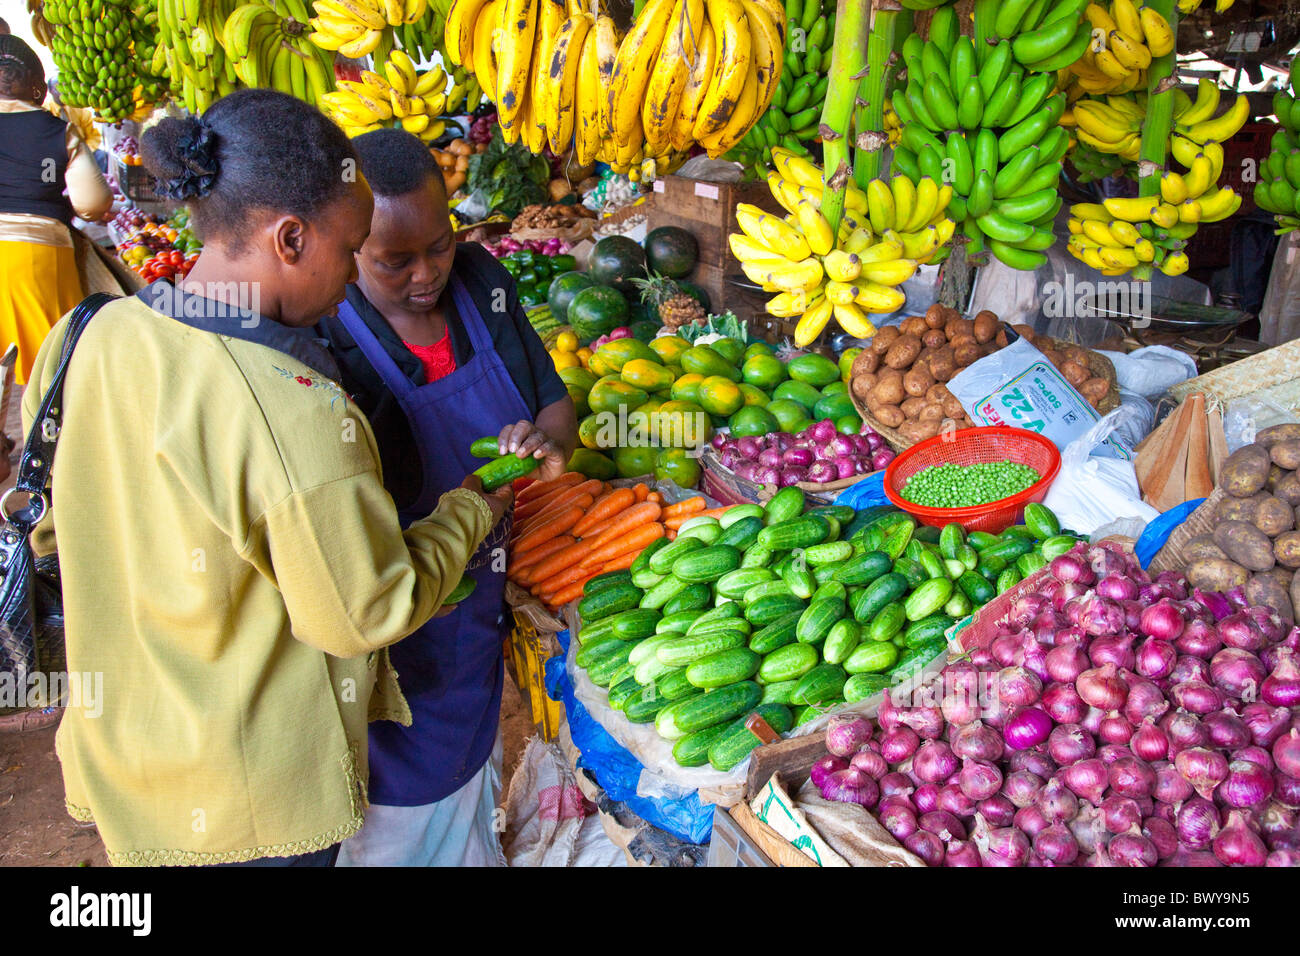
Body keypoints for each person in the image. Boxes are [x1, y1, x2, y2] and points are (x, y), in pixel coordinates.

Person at [22, 89, 511, 867]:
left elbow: (52, 523)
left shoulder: (90, 332)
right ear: (289, 238)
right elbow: (364, 610)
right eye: (350, 248)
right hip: (241, 799)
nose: (353, 276)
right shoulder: (295, 411)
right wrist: (468, 511)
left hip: (119, 752)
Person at [318, 128, 577, 866]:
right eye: (393, 261)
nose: (427, 273)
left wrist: (547, 446)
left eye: (439, 244)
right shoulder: (329, 339)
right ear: (348, 248)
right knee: (397, 819)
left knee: (471, 783)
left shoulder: (480, 283)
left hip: (483, 598)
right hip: (398, 619)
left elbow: (555, 404)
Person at [0, 35, 112, 385]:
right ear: (37, 87)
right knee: (49, 376)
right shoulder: (56, 132)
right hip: (36, 257)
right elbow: (93, 203)